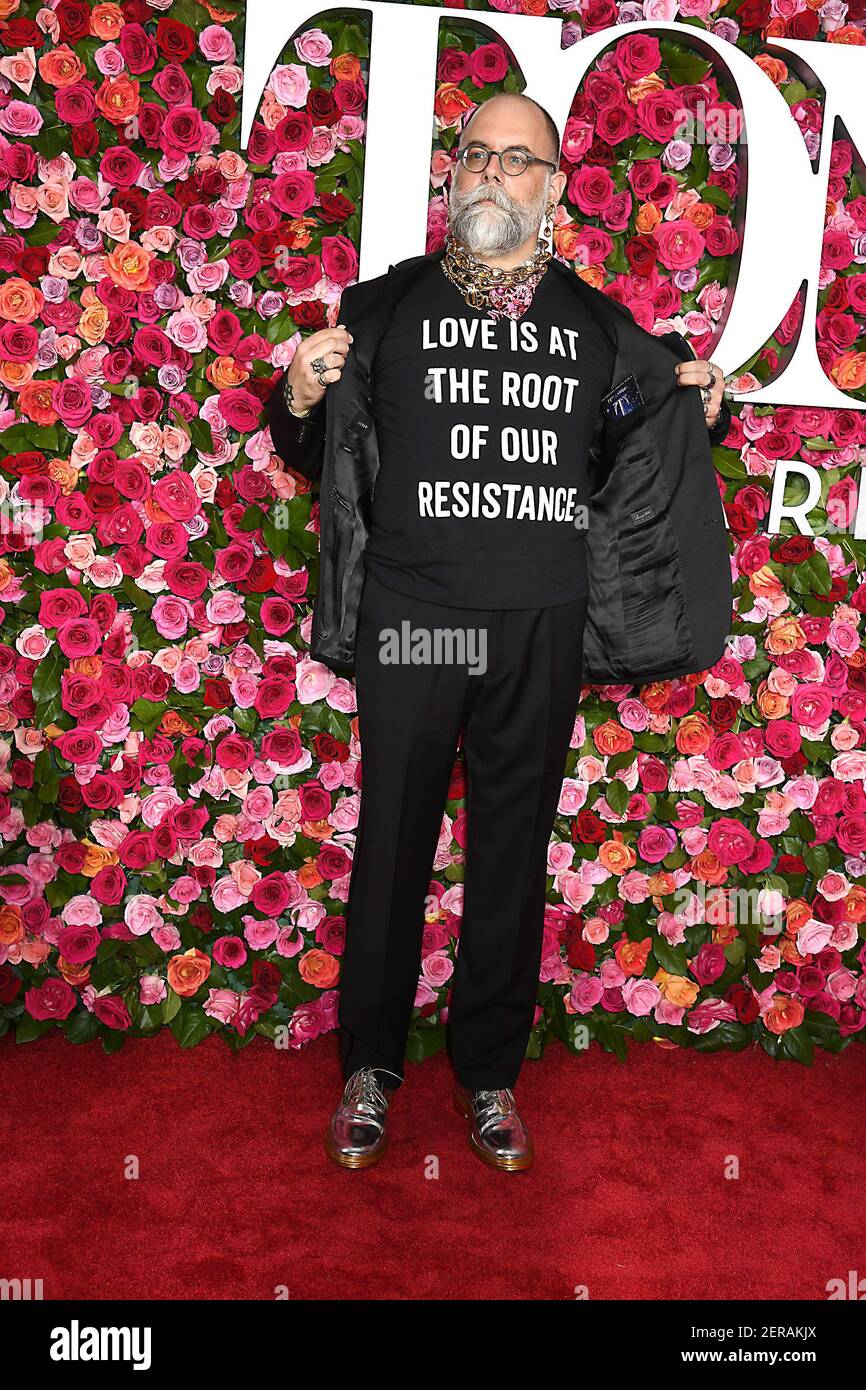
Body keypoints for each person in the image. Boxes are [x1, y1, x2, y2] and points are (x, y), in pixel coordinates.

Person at [268, 92, 731, 1173]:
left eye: (514, 160)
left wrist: (698, 404)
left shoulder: (591, 324)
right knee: (391, 841)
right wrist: (292, 392)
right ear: (452, 173)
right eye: (473, 154)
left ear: (553, 188)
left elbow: (631, 426)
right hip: (417, 624)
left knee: (511, 851)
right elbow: (323, 440)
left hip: (538, 623)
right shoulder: (382, 308)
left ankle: (487, 1076)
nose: (488, 174)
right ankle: (369, 1069)